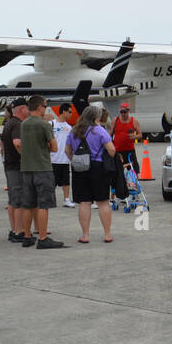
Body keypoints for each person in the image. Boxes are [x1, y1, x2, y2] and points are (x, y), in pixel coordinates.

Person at [16, 95, 63, 249]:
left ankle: (27, 236)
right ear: (38, 107)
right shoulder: (44, 125)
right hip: (42, 168)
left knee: (28, 204)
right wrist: (45, 147)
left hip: (26, 168)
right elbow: (54, 147)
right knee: (43, 204)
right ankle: (43, 237)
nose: (45, 108)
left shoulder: (24, 124)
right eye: (44, 105)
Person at [68, 104, 116, 243]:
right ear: (96, 117)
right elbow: (111, 150)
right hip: (97, 167)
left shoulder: (74, 130)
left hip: (79, 168)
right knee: (103, 202)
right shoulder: (100, 131)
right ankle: (107, 234)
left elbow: (67, 151)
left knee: (84, 202)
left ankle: (85, 235)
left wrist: (77, 160)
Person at [1, 98, 28, 242]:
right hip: (17, 167)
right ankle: (19, 231)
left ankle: (13, 229)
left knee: (12, 201)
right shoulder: (17, 124)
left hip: (9, 166)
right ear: (22, 109)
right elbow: (17, 143)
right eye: (27, 108)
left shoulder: (9, 123)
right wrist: (27, 157)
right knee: (19, 201)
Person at [110, 102, 142, 199]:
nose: (123, 114)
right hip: (118, 152)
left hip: (130, 152)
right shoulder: (115, 120)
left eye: (125, 112)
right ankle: (113, 197)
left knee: (133, 173)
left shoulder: (134, 121)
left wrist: (134, 136)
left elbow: (140, 135)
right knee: (116, 174)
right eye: (121, 112)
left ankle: (134, 195)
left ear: (128, 111)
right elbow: (110, 134)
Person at [51, 103, 74, 208]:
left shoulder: (69, 127)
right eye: (69, 112)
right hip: (53, 159)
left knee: (66, 181)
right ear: (63, 112)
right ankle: (50, 199)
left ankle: (66, 199)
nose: (71, 114)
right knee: (52, 182)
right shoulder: (51, 124)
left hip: (64, 159)